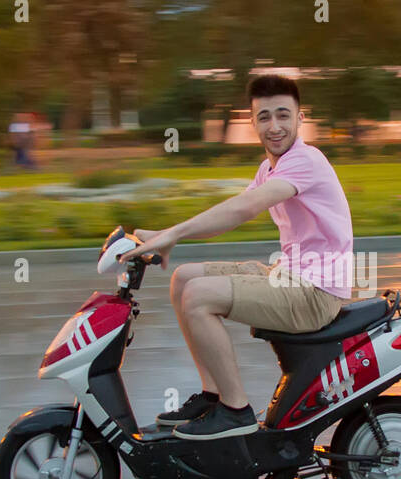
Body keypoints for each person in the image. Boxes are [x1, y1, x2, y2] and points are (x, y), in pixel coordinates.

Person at [121, 74, 354, 439]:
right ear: (252, 123)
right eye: (264, 117)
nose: (274, 126)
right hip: (288, 275)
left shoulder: (306, 160)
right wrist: (165, 235)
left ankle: (235, 410)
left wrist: (174, 235)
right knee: (183, 278)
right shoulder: (270, 168)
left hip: (315, 292)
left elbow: (244, 209)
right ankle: (212, 396)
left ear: (300, 118)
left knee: (199, 297)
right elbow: (228, 214)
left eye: (283, 115)